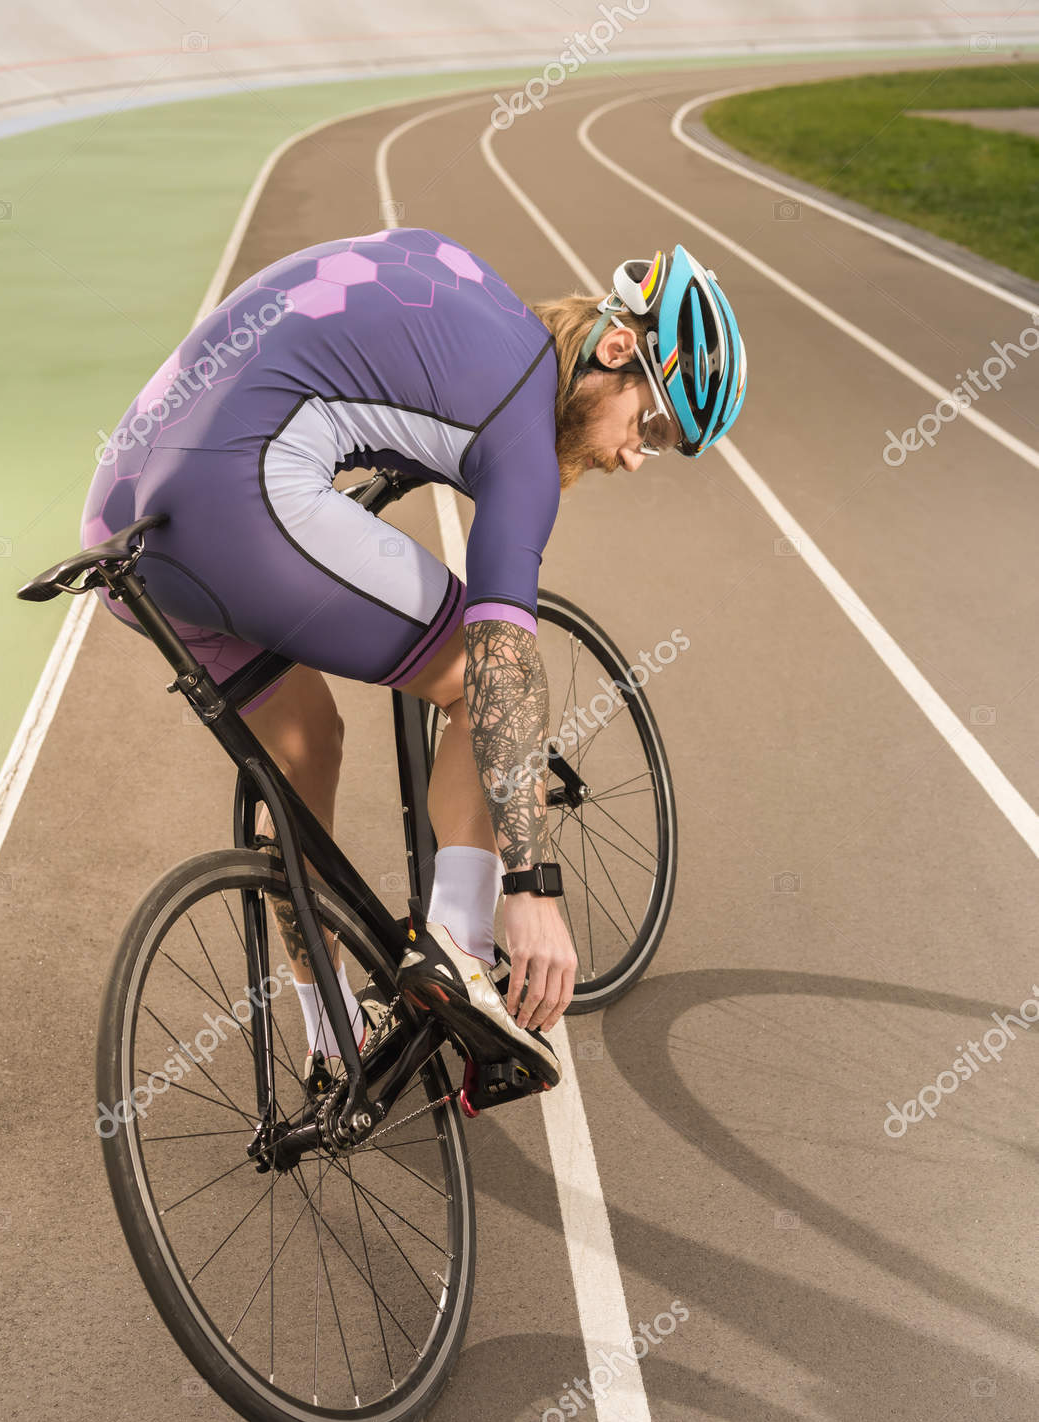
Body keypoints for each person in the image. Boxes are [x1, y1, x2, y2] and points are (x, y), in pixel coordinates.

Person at [81, 230, 746, 1092]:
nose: (632, 455)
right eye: (650, 424)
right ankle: (461, 952)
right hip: (241, 494)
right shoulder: (520, 402)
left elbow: (345, 364)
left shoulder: (466, 288)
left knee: (301, 754)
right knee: (480, 677)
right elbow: (503, 654)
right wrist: (532, 891)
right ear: (616, 349)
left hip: (122, 526)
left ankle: (333, 1038)